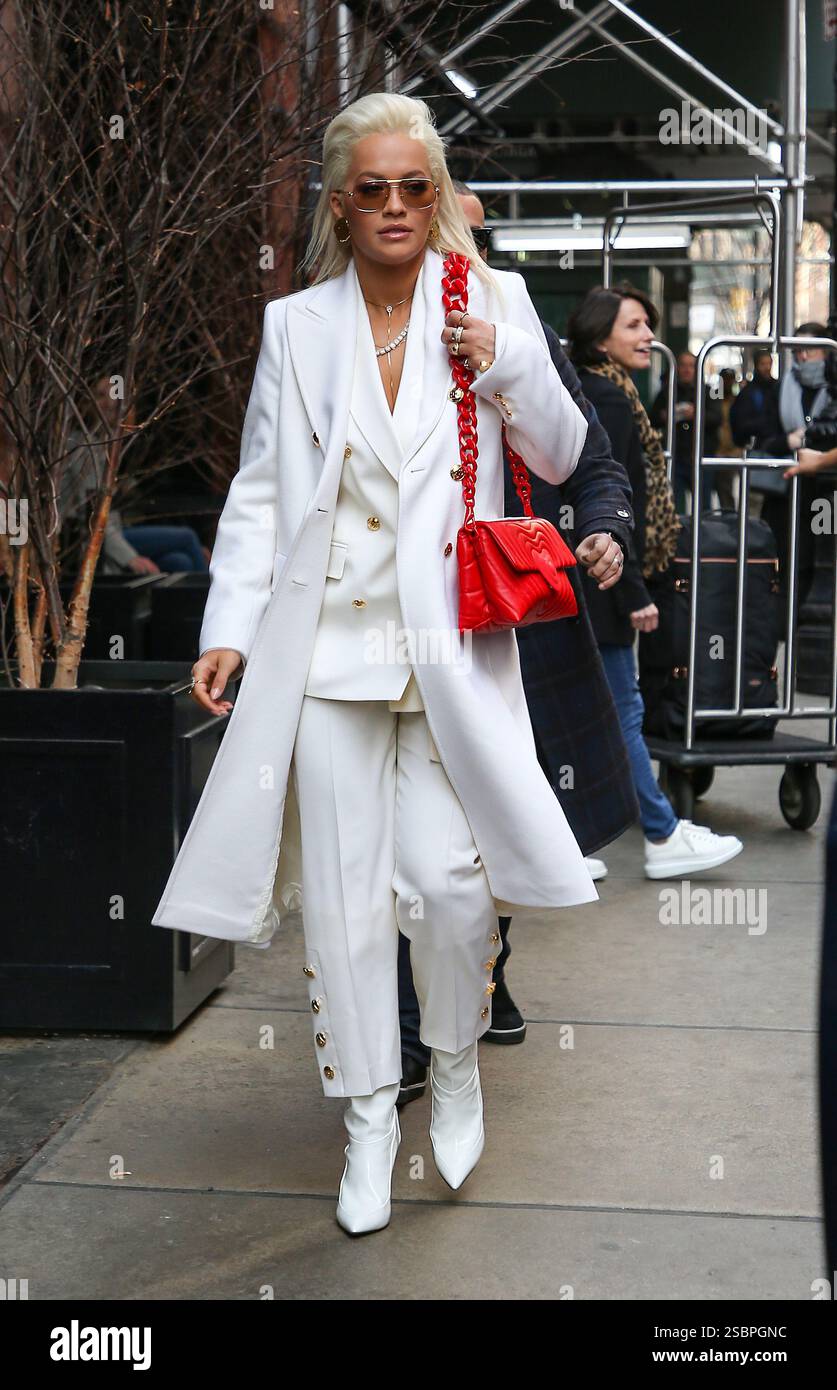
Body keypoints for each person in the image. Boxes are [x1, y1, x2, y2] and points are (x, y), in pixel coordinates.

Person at [151, 92, 599, 1236]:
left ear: (438, 197)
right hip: (330, 663)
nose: (396, 208)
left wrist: (504, 365)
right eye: (372, 190)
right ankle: (364, 1118)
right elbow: (258, 494)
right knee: (345, 908)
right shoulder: (297, 325)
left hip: (450, 652)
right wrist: (228, 626)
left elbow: (560, 448)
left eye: (416, 188)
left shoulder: (489, 300)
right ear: (340, 205)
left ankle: (452, 1057)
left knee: (448, 888)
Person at [395, 182, 641, 1103]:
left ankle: (481, 977)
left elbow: (585, 461)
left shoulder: (501, 306)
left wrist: (608, 529)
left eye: (427, 192)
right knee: (396, 832)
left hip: (495, 617)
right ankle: (413, 1033)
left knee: (484, 819)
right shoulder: (335, 323)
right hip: (382, 626)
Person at [567, 284, 744, 879]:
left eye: (648, 325)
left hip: (588, 579)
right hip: (605, 581)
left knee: (581, 712)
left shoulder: (599, 391)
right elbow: (615, 504)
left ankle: (565, 842)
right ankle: (663, 834)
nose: (648, 336)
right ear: (600, 336)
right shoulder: (611, 402)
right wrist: (636, 593)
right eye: (635, 326)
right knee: (622, 710)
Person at [60, 375, 210, 575]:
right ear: (87, 403)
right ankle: (214, 601)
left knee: (178, 561)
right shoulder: (83, 448)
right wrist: (130, 558)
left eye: (114, 398)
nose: (108, 404)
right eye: (100, 396)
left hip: (114, 531)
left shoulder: (114, 447)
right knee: (187, 537)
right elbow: (94, 516)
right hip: (88, 539)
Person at [651, 350, 722, 513]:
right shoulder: (667, 391)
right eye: (683, 365)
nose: (687, 370)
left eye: (691, 366)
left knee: (704, 508)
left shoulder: (707, 391)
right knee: (672, 506)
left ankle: (702, 537)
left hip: (701, 456)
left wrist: (696, 414)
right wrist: (664, 416)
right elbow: (652, 417)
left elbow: (717, 418)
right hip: (676, 456)